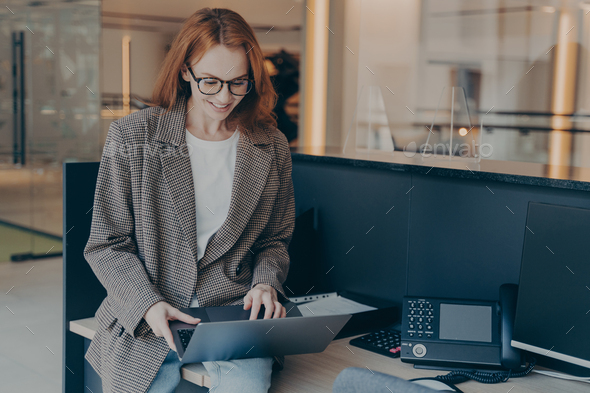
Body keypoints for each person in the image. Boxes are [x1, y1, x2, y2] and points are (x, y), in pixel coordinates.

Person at [83, 8, 295, 393]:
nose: (224, 97)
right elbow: (106, 244)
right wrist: (148, 305)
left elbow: (273, 241)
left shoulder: (271, 145)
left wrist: (265, 283)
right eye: (210, 82)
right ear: (185, 71)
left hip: (231, 315)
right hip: (149, 314)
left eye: (238, 82)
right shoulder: (133, 136)